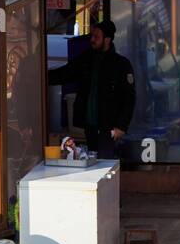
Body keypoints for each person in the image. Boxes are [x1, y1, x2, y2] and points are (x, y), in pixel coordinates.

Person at [45, 19, 136, 160]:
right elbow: (66, 73)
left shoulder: (120, 65)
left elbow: (129, 98)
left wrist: (121, 126)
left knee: (105, 163)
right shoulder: (87, 59)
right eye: (92, 36)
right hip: (90, 125)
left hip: (108, 126)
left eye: (96, 37)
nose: (92, 40)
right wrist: (41, 77)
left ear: (107, 40)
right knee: (92, 160)